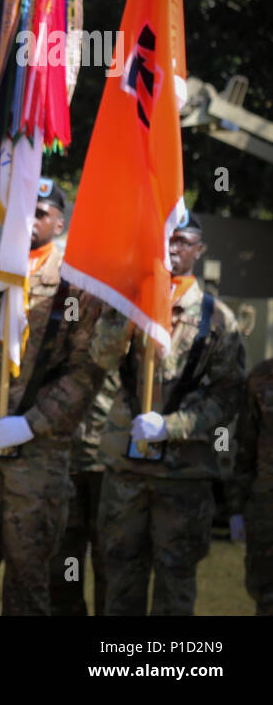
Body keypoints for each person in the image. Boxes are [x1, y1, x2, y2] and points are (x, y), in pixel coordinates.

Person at [0, 179, 127, 614]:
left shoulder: (76, 285)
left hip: (38, 450)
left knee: (29, 579)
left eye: (40, 212)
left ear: (59, 221)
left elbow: (86, 371)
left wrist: (31, 424)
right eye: (23, 210)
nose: (30, 220)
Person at [97, 214, 246, 615]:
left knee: (175, 588)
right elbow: (101, 356)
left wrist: (172, 426)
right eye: (166, 240)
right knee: (120, 583)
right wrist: (133, 311)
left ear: (200, 250)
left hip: (182, 477)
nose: (173, 248)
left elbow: (228, 396)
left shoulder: (218, 321)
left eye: (183, 241)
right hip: (126, 470)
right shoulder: (130, 303)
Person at [49, 366, 118, 614]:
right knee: (67, 557)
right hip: (67, 461)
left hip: (108, 463)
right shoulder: (69, 329)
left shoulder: (119, 329)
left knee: (108, 560)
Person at [233, 358, 273, 615]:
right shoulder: (261, 377)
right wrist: (235, 510)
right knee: (267, 599)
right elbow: (244, 450)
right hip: (266, 513)